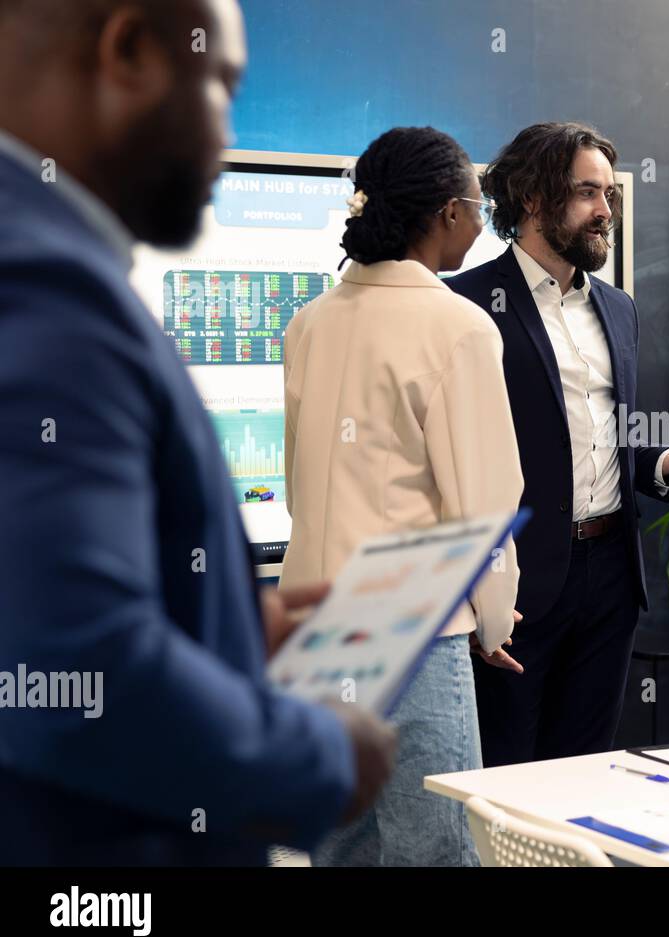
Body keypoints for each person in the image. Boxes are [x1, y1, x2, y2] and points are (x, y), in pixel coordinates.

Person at [0, 0, 395, 865]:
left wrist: (217, 630)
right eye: (220, 83)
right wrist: (324, 755)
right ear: (132, 49)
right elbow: (75, 679)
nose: (224, 131)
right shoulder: (45, 286)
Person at [447, 121, 669, 767]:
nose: (604, 211)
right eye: (587, 193)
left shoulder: (619, 308)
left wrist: (668, 460)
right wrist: (473, 593)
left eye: (609, 197)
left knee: (589, 767)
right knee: (509, 774)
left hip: (612, 579)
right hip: (518, 584)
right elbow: (453, 466)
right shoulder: (466, 304)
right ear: (532, 199)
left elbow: (602, 441)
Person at [279, 126, 524, 865]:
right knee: (439, 850)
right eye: (478, 207)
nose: (482, 227)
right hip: (410, 630)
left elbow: (298, 482)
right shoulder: (458, 326)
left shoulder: (309, 322)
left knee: (339, 849)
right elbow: (482, 505)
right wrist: (492, 620)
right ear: (448, 212)